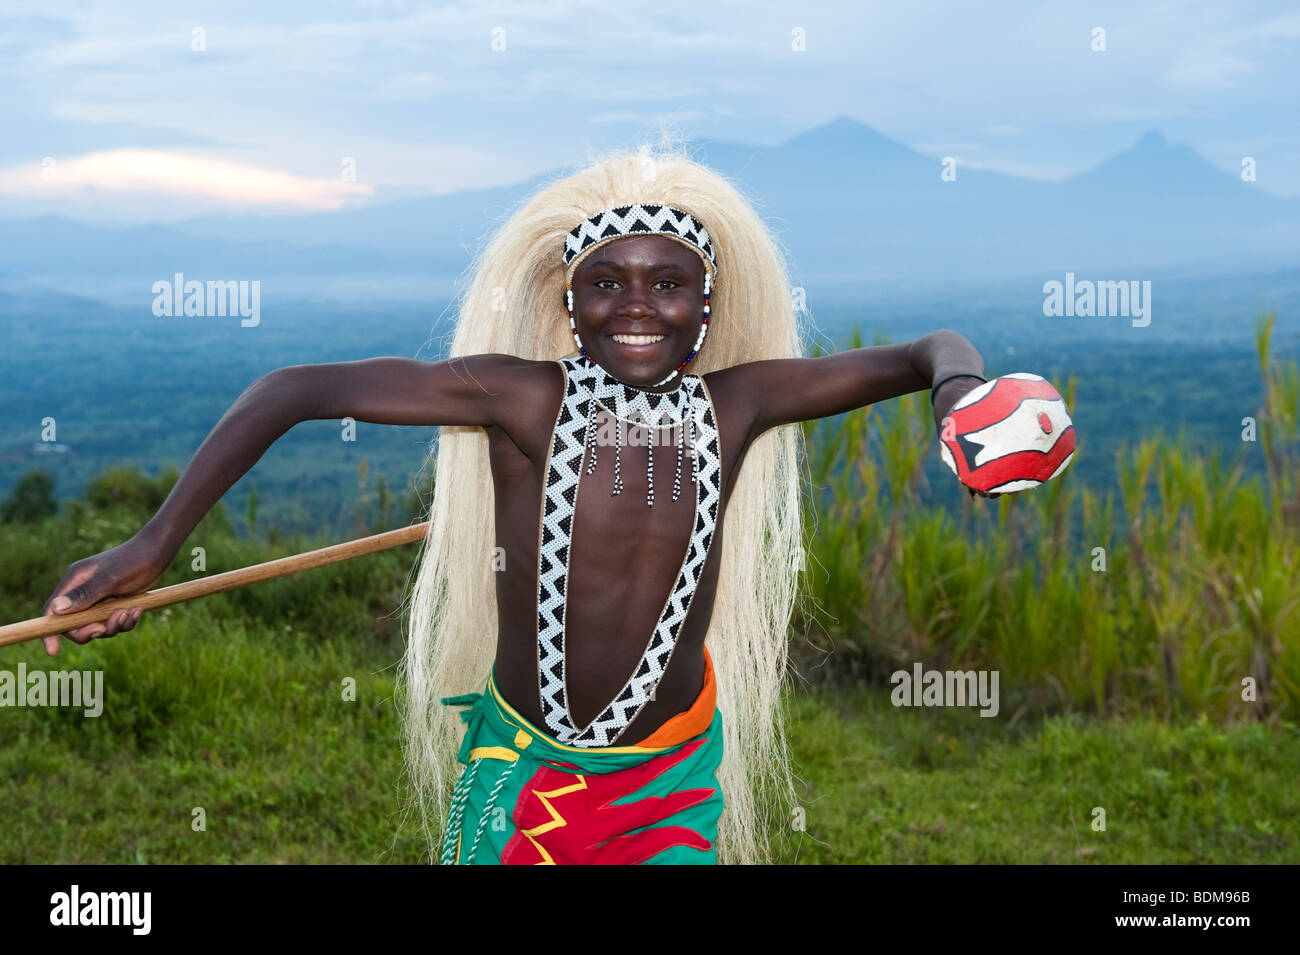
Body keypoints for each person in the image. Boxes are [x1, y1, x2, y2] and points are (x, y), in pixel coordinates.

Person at [41, 144, 989, 865]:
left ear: (705, 305)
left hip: (669, 786)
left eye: (667, 283)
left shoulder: (739, 405)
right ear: (570, 305)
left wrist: (961, 394)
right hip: (522, 779)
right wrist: (151, 545)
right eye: (606, 283)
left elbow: (927, 350)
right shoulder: (522, 400)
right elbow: (293, 390)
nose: (637, 306)